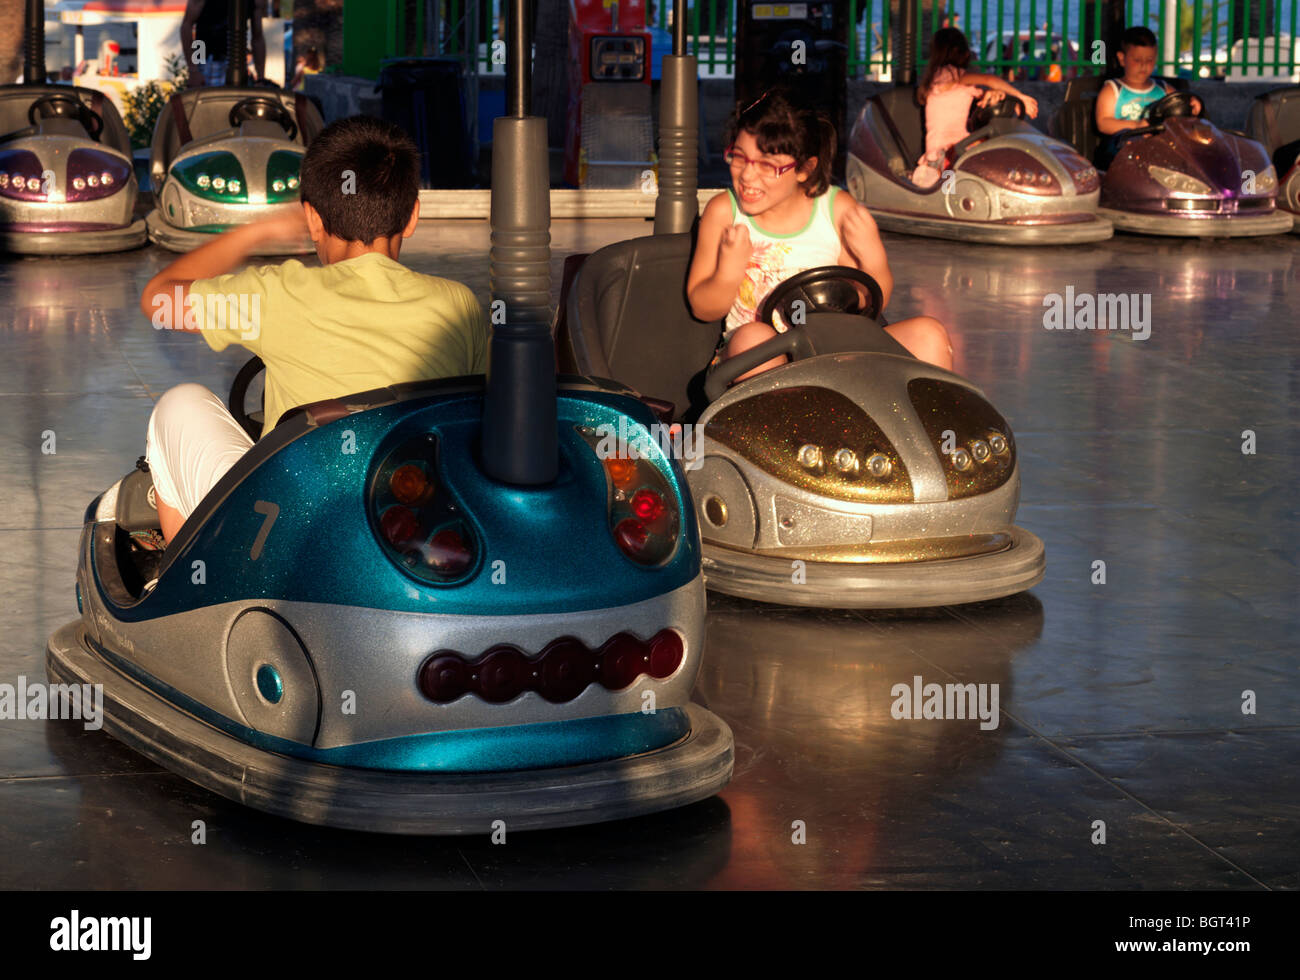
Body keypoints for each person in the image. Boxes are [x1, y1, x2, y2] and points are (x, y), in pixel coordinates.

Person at [139, 115, 490, 547]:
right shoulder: (459, 306)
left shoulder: (280, 295)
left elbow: (157, 300)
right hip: (414, 533)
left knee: (179, 404)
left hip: (293, 539)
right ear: (413, 214)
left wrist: (255, 232)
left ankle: (180, 592)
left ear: (313, 219)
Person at [687, 88, 953, 382]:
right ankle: (783, 424)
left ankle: (935, 427)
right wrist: (728, 272)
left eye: (767, 166)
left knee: (930, 334)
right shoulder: (725, 213)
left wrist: (873, 257)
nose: (748, 176)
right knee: (754, 337)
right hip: (754, 361)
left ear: (804, 169)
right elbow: (702, 307)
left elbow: (868, 302)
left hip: (832, 351)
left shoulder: (836, 210)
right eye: (739, 157)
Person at [912, 27, 1039, 188]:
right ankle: (949, 190)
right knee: (959, 185)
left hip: (959, 147)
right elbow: (989, 79)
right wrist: (1020, 97)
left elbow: (984, 92)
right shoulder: (947, 75)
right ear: (962, 53)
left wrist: (996, 94)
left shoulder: (956, 82)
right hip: (944, 153)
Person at [1095, 26, 1203, 168]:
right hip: (1123, 152)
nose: (1144, 65)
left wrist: (1193, 107)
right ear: (1122, 59)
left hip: (1162, 150)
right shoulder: (1112, 90)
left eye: (1149, 60)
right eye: (1137, 60)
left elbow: (1180, 106)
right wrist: (1136, 126)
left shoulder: (1164, 89)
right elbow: (1103, 123)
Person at [181, 0, 266, 87]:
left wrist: (260, 78)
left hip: (238, 65)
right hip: (207, 61)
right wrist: (193, 70)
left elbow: (258, 36)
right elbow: (186, 26)